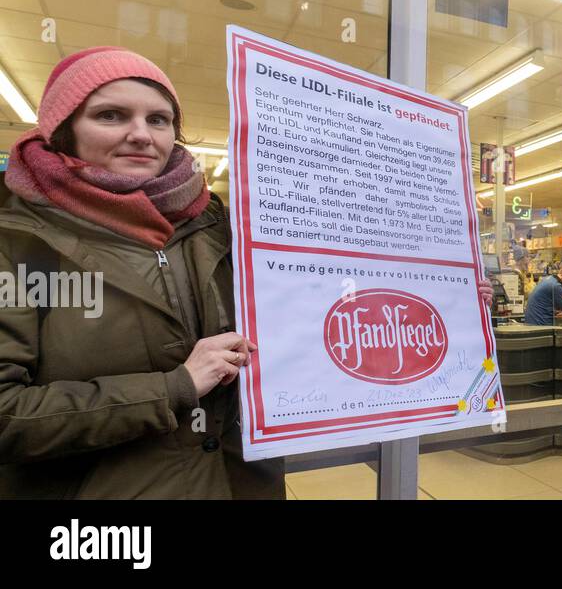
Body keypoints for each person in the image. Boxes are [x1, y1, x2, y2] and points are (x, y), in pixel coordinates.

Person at [0, 46, 493, 499]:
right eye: (110, 115)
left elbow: (315, 309)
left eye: (159, 118)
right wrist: (176, 387)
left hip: (238, 484)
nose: (141, 133)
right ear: (63, 127)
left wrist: (445, 305)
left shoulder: (219, 224)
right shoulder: (17, 239)